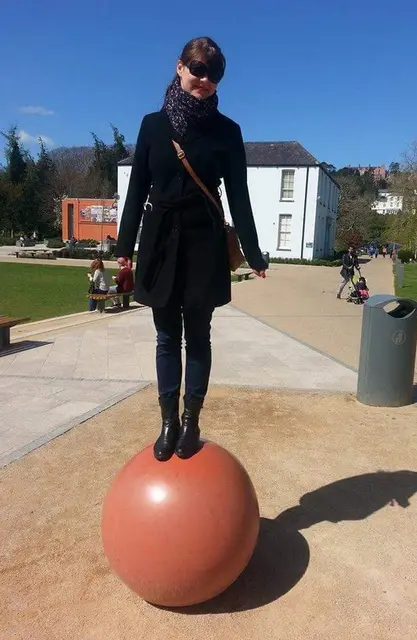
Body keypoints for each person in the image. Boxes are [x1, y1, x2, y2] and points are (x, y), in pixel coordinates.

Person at [115, 36, 267, 461]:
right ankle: (168, 421)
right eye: (198, 69)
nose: (204, 79)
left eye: (214, 74)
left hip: (204, 243)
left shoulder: (227, 132)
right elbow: (136, 189)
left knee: (198, 336)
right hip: (160, 241)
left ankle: (192, 420)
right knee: (166, 337)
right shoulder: (152, 125)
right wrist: (125, 245)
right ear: (180, 67)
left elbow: (239, 195)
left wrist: (253, 252)